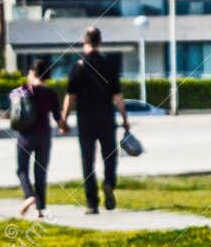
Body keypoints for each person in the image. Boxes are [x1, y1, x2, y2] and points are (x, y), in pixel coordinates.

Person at [61, 26, 129, 214]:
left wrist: (63, 120)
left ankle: (92, 203)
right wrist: (125, 119)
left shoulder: (78, 66)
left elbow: (71, 97)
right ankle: (109, 182)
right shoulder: (109, 65)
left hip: (85, 119)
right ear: (99, 42)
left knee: (87, 160)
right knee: (110, 156)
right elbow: (117, 97)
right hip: (106, 118)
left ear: (85, 41)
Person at [12, 60, 62, 218]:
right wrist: (64, 127)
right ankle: (40, 209)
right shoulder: (51, 93)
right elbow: (58, 118)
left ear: (33, 72)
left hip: (25, 136)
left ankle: (29, 196)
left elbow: (13, 103)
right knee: (40, 172)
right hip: (44, 137)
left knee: (22, 169)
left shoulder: (23, 90)